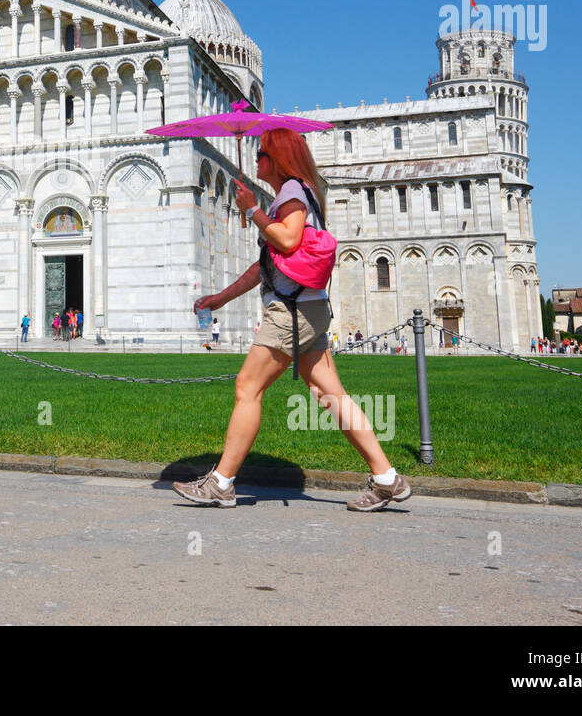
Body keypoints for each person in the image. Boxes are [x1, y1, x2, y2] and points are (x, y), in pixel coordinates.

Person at [172, 128, 410, 512]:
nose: (256, 159)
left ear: (278, 158)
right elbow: (266, 265)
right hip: (309, 308)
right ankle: (386, 479)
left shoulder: (292, 193)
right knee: (332, 395)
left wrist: (252, 210)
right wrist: (219, 299)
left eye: (262, 153)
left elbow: (286, 240)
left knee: (247, 387)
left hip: (292, 312)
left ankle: (220, 483)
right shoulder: (298, 194)